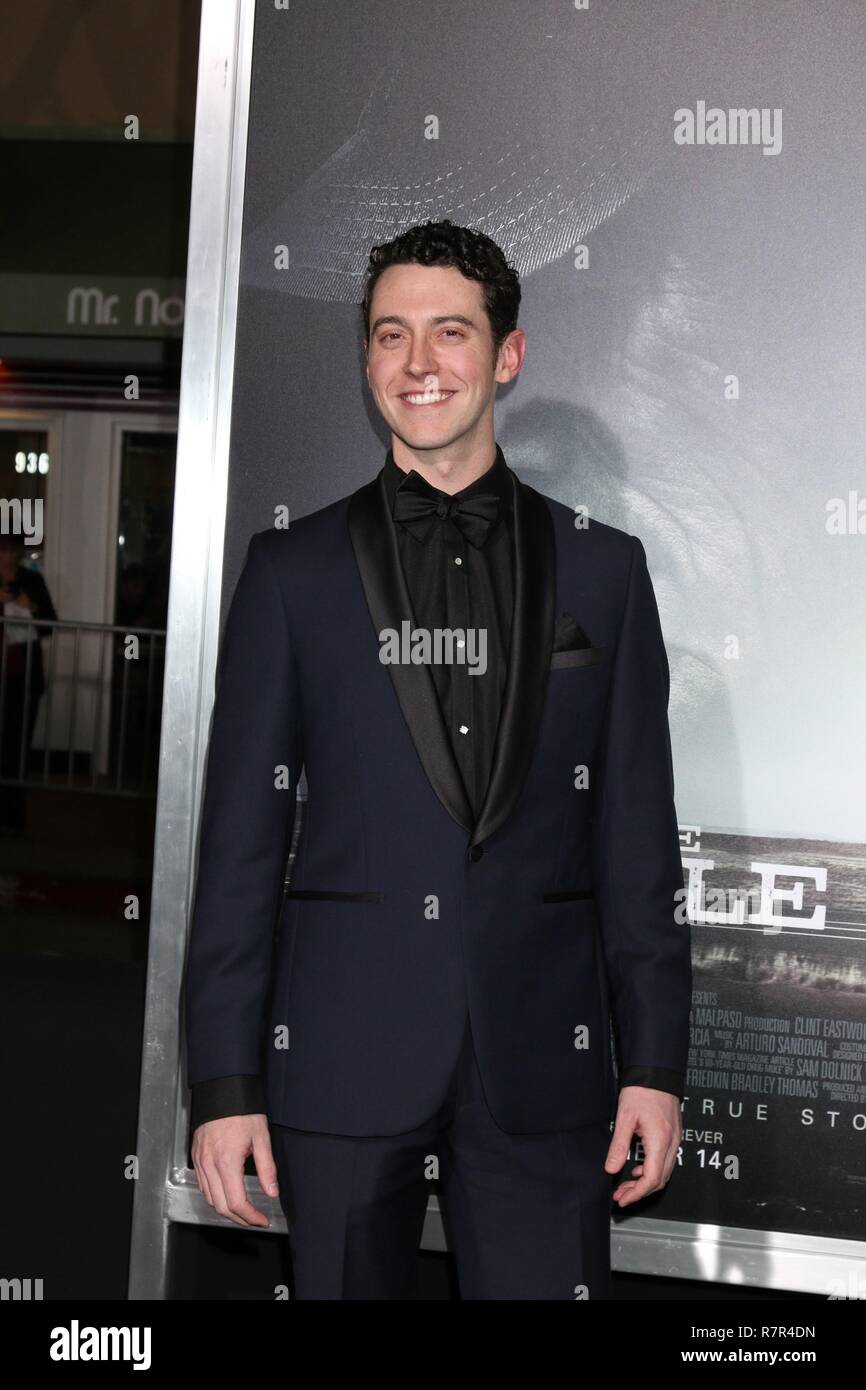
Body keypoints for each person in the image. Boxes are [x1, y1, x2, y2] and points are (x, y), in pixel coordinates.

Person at [184, 220, 692, 1299]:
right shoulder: (290, 571)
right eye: (389, 335)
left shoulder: (606, 572)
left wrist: (651, 1065)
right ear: (366, 359)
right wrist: (225, 1082)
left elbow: (636, 837)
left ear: (506, 355)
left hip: (542, 1072)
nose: (417, 364)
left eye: (449, 333)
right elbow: (238, 847)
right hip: (335, 1061)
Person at [0, 534, 57, 834]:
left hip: (23, 678)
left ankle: (14, 815)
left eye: (12, 550)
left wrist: (30, 606)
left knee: (17, 747)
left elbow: (50, 622)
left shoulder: (31, 581)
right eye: (3, 550)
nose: (7, 556)